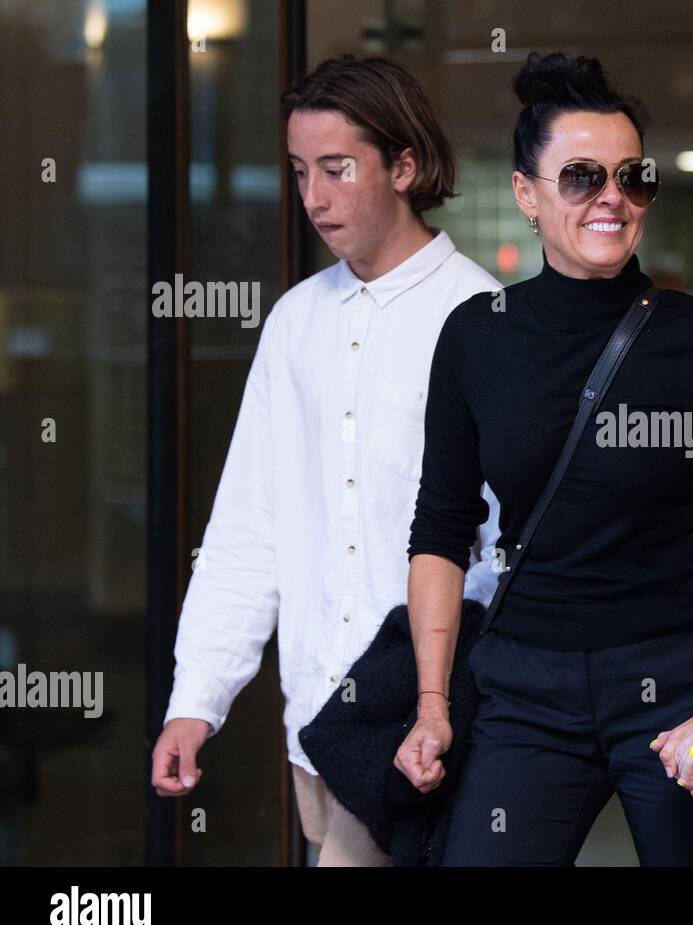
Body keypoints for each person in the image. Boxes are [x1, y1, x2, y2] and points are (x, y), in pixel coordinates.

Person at [396, 51, 693, 866]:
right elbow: (441, 528)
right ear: (527, 193)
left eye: (632, 176)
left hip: (682, 683)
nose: (612, 196)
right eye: (581, 177)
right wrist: (432, 704)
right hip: (527, 690)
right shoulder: (478, 335)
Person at [150, 56, 502, 866]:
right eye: (300, 170)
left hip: (435, 720)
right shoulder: (293, 323)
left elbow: (507, 545)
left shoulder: (483, 317)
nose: (313, 197)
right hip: (315, 718)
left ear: (403, 166)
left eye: (337, 169)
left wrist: (441, 695)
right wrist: (196, 700)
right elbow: (250, 526)